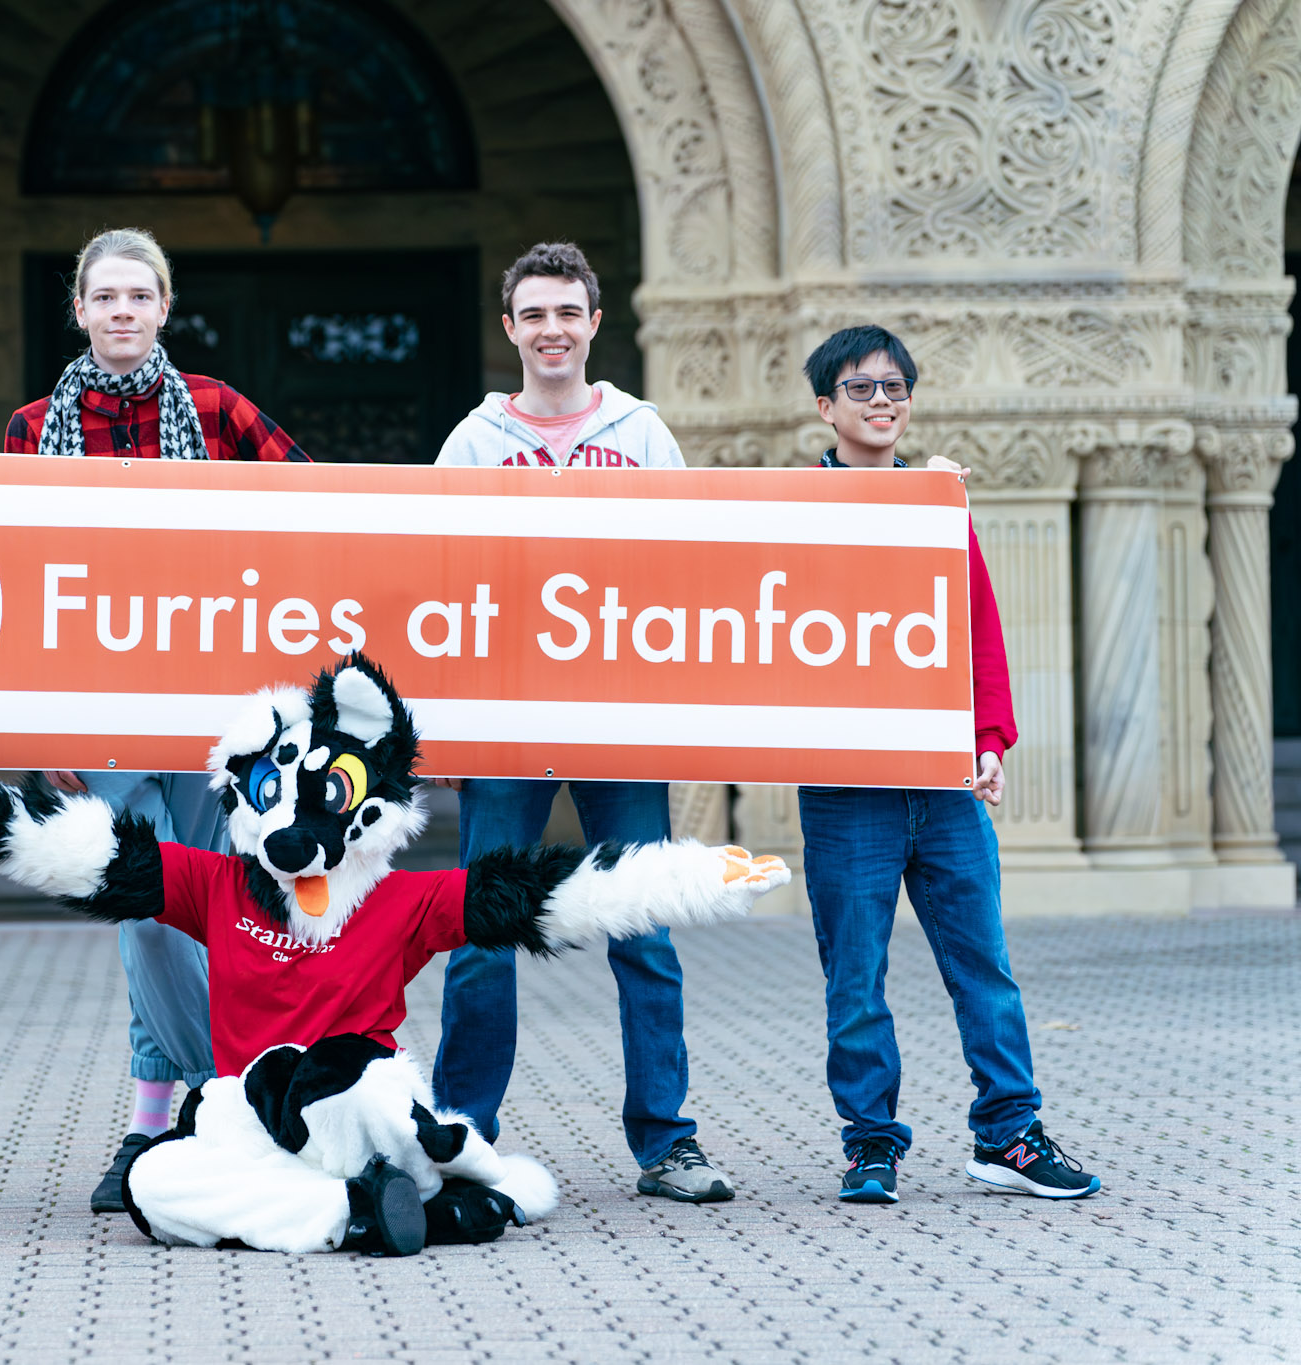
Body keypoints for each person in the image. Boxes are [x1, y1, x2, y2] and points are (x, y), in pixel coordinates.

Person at [4, 227, 311, 1213]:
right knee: (141, 900)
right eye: (106, 296)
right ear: (81, 310)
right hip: (95, 709)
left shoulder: (218, 410)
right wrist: (36, 728)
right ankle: (226, 1093)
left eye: (140, 295)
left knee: (212, 901)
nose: (123, 311)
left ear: (164, 306)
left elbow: (325, 514)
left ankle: (152, 1121)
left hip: (218, 711)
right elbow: (16, 583)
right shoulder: (31, 430)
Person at [430, 241, 733, 1203]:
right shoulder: (473, 442)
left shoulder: (642, 433)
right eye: (535, 314)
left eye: (568, 312)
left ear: (595, 323)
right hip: (505, 720)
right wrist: (440, 728)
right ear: (510, 327)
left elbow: (686, 574)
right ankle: (464, 1138)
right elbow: (438, 586)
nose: (552, 330)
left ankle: (667, 1143)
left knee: (642, 928)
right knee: (484, 932)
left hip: (619, 719)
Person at [801, 324, 1101, 1203]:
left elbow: (979, 631)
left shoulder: (940, 501)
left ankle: (1008, 1134)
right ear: (825, 407)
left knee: (984, 968)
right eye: (861, 388)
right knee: (856, 979)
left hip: (943, 783)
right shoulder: (792, 509)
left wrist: (990, 741)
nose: (882, 401)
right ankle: (870, 1144)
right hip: (847, 790)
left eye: (895, 387)